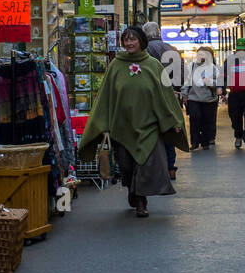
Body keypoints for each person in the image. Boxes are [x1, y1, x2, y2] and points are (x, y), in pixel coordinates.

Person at [78, 25, 188, 217]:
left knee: (144, 164)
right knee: (126, 165)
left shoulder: (153, 65)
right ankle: (131, 188)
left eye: (133, 39)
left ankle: (140, 200)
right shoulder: (115, 66)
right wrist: (100, 124)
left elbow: (165, 95)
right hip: (122, 126)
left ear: (141, 41)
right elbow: (105, 97)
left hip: (149, 127)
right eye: (126, 39)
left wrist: (173, 122)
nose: (129, 43)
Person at [142, 20, 182, 178]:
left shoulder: (145, 50)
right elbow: (180, 71)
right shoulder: (171, 48)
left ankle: (155, 167)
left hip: (152, 96)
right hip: (171, 94)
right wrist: (177, 90)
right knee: (169, 131)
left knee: (151, 131)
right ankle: (171, 167)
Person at [181, 44, 221, 150]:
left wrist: (210, 82)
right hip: (193, 98)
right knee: (194, 118)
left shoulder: (213, 68)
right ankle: (194, 141)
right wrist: (184, 94)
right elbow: (187, 81)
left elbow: (219, 83)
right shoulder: (192, 66)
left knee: (207, 121)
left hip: (209, 99)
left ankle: (205, 141)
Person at [225, 36, 245, 151]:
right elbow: (223, 74)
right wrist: (221, 89)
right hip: (234, 93)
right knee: (234, 117)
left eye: (242, 49)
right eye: (239, 49)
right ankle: (238, 135)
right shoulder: (230, 60)